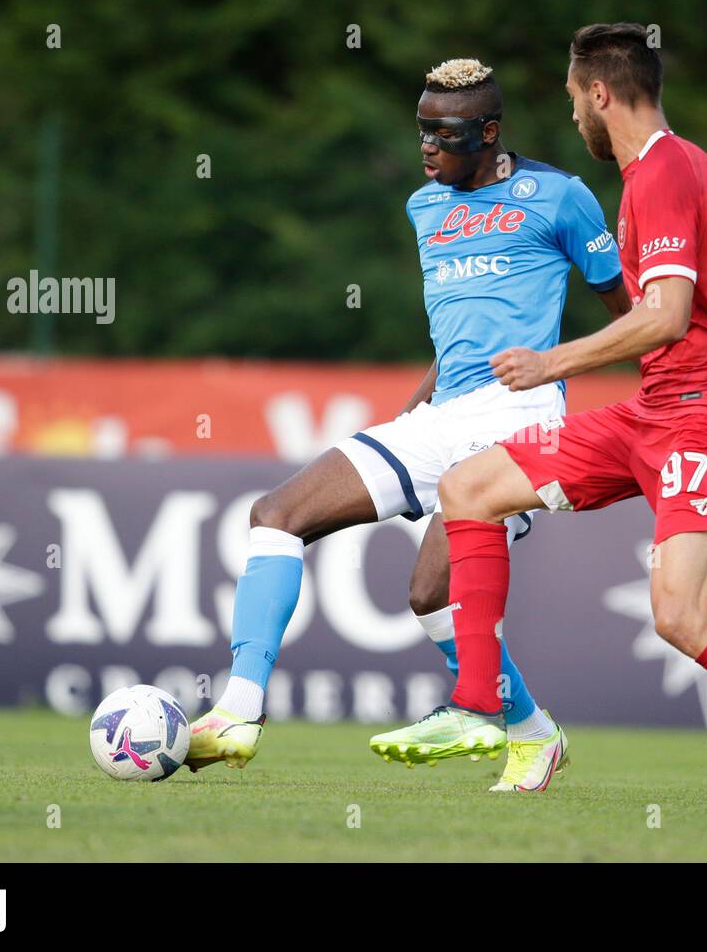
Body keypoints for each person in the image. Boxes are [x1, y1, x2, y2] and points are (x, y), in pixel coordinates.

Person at [384, 25, 707, 809]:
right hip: (662, 408)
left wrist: (552, 364)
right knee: (469, 489)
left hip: (704, 418)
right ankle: (479, 704)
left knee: (680, 616)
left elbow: (663, 316)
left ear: (598, 94)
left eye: (571, 100)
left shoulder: (658, 175)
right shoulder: (693, 167)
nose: (571, 120)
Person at [186, 58, 631, 793]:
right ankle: (239, 711)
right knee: (276, 515)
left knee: (430, 595)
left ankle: (521, 728)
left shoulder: (560, 198)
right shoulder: (426, 206)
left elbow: (633, 318)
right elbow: (460, 331)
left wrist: (563, 369)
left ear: (488, 132)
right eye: (421, 129)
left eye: (445, 132)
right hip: (443, 411)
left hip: (520, 419)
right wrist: (419, 401)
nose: (428, 146)